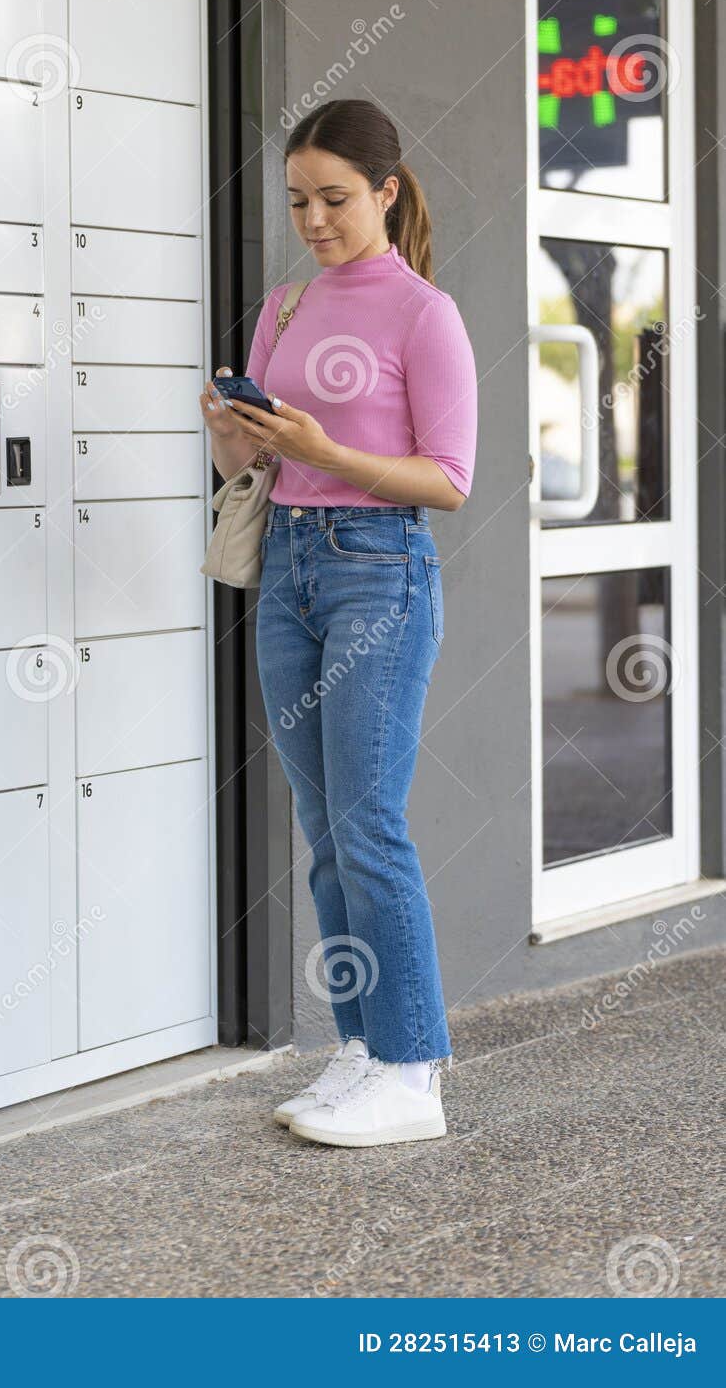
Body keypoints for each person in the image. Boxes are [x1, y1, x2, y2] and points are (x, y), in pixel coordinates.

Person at [199, 97, 478, 1149]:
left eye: (335, 198)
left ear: (386, 191)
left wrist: (328, 445)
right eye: (297, 200)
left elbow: (446, 480)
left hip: (379, 571)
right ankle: (361, 1048)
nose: (313, 219)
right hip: (290, 567)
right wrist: (234, 436)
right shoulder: (282, 309)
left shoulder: (422, 314)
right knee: (322, 836)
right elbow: (260, 470)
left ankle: (413, 1072)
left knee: (369, 825)